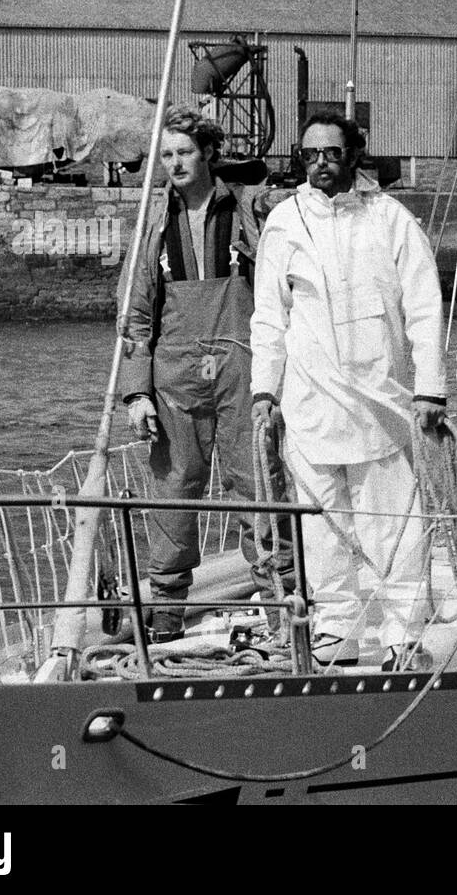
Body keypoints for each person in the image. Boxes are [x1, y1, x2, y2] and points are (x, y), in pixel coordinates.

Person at [250, 111, 446, 669]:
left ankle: (402, 634)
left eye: (332, 154)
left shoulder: (389, 219)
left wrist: (430, 390)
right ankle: (338, 633)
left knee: (393, 527)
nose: (320, 165)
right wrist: (265, 390)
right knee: (323, 528)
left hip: (378, 402)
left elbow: (424, 307)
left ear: (354, 155)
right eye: (310, 155)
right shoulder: (284, 223)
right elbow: (269, 316)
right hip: (308, 399)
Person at [119, 105, 292, 643]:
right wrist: (135, 394)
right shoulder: (153, 226)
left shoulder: (246, 210)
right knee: (173, 493)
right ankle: (167, 619)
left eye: (184, 152)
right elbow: (136, 316)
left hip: (242, 371)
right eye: (166, 155)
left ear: (209, 153)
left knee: (259, 488)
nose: (174, 163)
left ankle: (285, 616)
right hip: (174, 380)